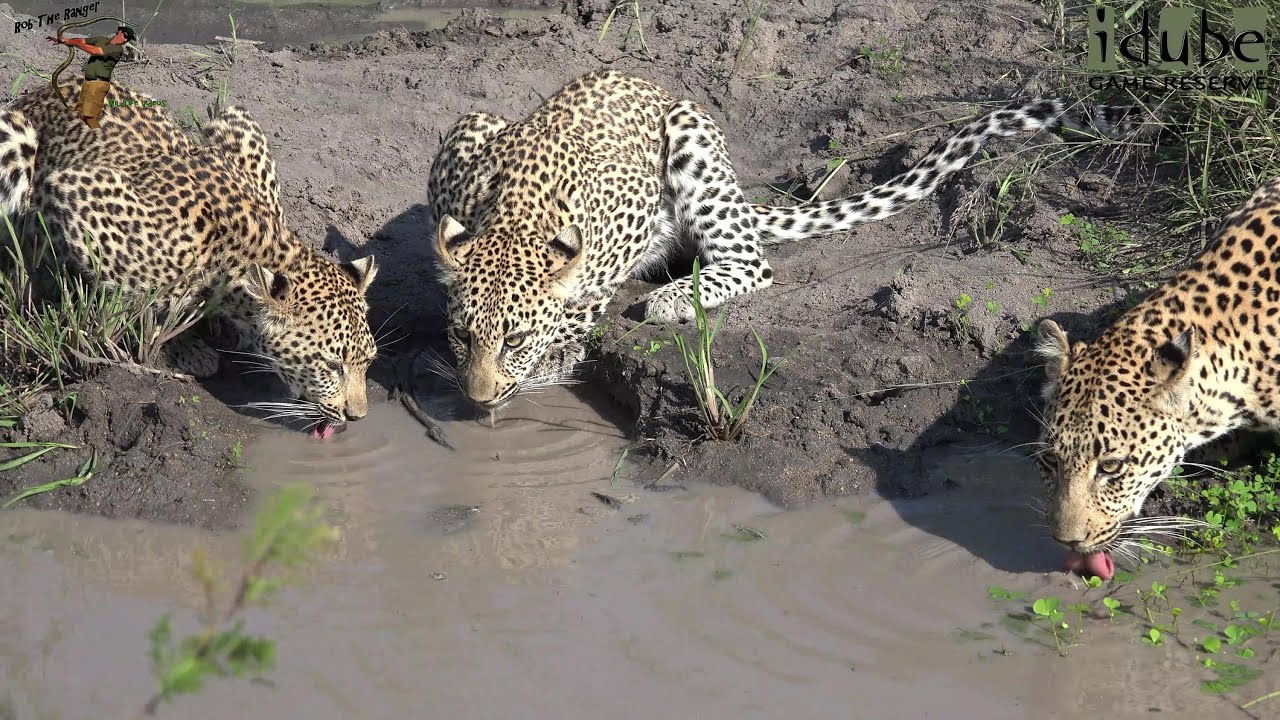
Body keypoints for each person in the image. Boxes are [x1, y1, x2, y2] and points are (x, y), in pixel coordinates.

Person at [45, 25, 136, 129]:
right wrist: (64, 40)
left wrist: (72, 42)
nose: (125, 39)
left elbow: (96, 51)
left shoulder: (117, 50)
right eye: (125, 35)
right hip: (89, 82)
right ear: (119, 32)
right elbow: (83, 41)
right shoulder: (100, 40)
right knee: (81, 114)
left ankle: (98, 135)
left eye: (127, 39)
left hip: (99, 84)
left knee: (90, 117)